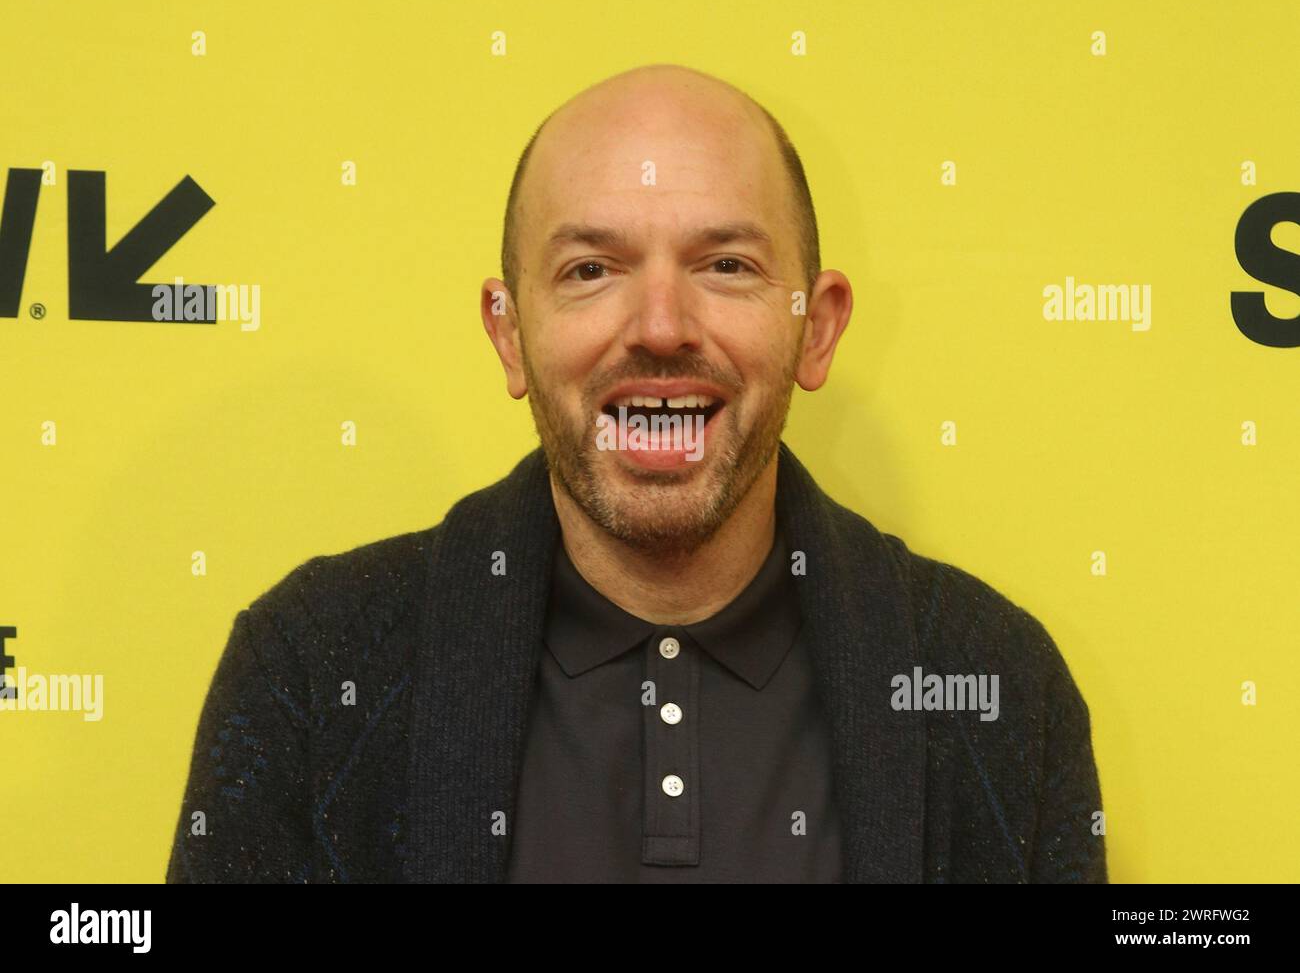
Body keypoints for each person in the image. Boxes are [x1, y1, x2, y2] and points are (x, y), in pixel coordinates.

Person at [167, 63, 1106, 883]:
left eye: (726, 263)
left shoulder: (995, 683)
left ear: (815, 328)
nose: (661, 324)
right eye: (590, 269)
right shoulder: (310, 670)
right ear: (509, 334)